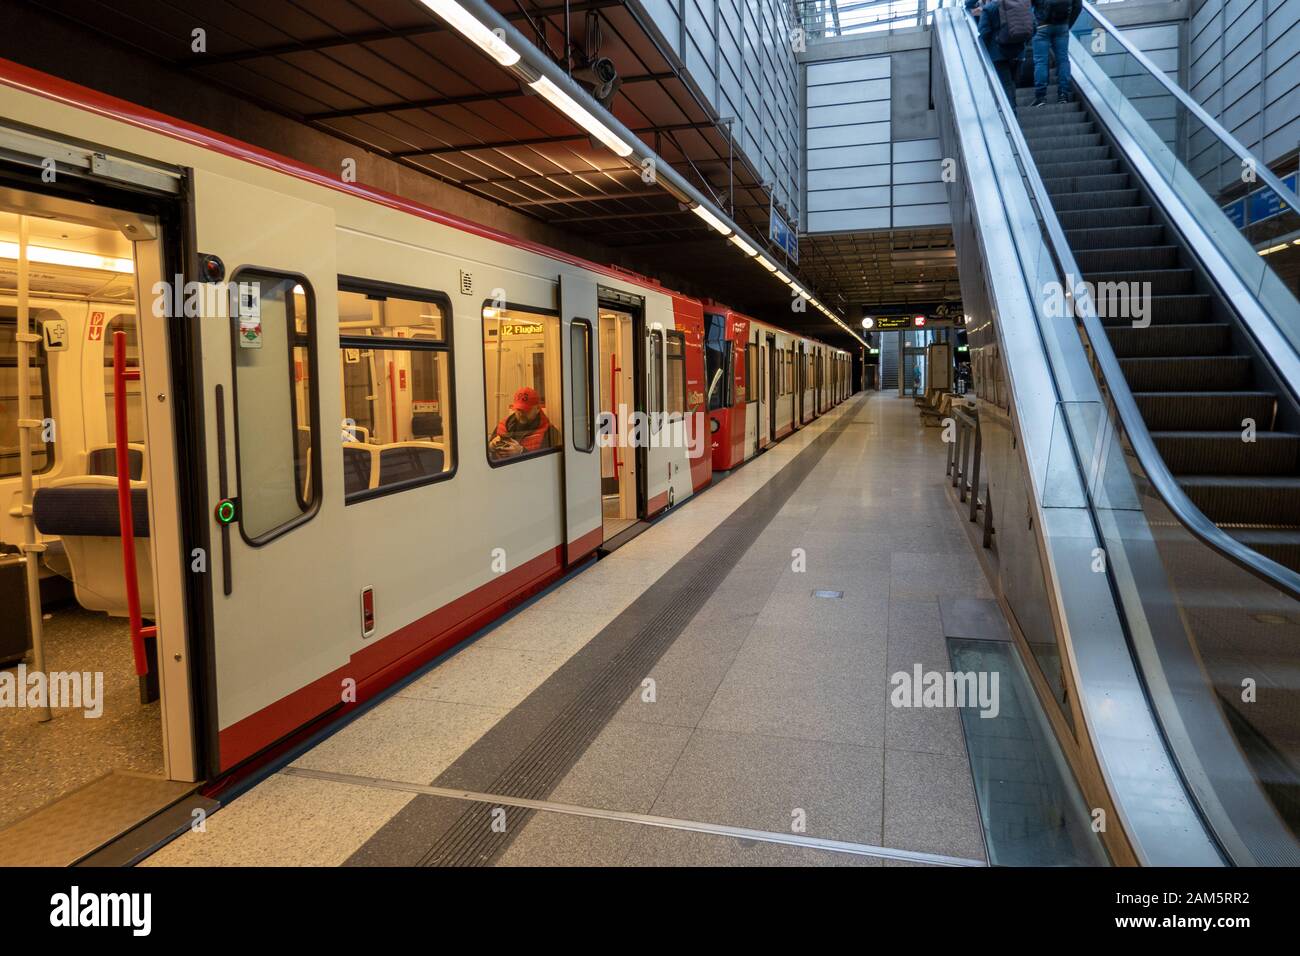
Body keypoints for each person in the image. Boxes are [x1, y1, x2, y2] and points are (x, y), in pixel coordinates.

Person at [979, 0, 1032, 110]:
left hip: (998, 54)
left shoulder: (989, 8)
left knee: (1006, 85)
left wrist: (987, 48)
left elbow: (984, 32)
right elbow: (1033, 26)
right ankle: (1012, 109)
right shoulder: (1022, 4)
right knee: (1012, 83)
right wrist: (1022, 41)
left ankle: (1011, 115)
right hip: (1019, 52)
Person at [1030, 0, 1082, 106]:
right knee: (1063, 60)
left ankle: (1041, 97)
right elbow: (1078, 6)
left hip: (1041, 25)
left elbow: (1026, 6)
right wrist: (1068, 23)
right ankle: (1063, 95)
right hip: (1062, 25)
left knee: (1041, 62)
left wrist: (1034, 23)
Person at [488, 386, 560, 461]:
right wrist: (491, 447)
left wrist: (521, 452)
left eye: (526, 409)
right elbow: (486, 454)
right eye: (518, 409)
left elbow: (546, 463)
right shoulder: (502, 425)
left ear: (538, 408)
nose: (521, 413)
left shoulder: (549, 432)